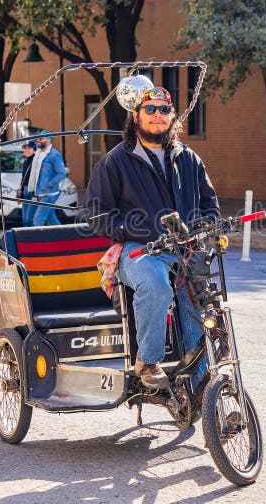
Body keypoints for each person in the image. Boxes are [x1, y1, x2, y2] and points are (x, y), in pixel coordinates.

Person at [86, 86, 219, 389]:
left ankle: (202, 388)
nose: (157, 115)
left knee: (203, 301)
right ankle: (147, 360)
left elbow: (211, 204)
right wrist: (131, 231)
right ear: (135, 116)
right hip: (139, 250)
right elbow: (95, 213)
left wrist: (209, 225)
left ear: (173, 117)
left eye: (164, 109)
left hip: (185, 250)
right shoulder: (116, 161)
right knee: (156, 286)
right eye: (150, 109)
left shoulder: (189, 159)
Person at [30, 131, 66, 227]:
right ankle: (63, 238)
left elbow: (62, 173)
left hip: (49, 193)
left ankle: (37, 241)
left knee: (37, 219)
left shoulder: (54, 155)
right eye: (37, 139)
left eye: (41, 139)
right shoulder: (38, 154)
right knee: (52, 220)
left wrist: (49, 183)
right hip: (40, 192)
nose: (38, 141)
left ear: (49, 140)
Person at [18, 140, 37, 226]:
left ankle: (32, 237)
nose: (26, 150)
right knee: (24, 219)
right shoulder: (26, 162)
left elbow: (38, 179)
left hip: (33, 192)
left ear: (34, 149)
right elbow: (23, 178)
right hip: (25, 191)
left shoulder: (36, 161)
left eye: (29, 148)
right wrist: (20, 193)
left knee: (29, 219)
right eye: (25, 148)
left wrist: (35, 195)